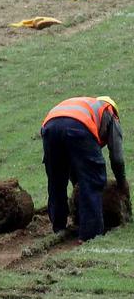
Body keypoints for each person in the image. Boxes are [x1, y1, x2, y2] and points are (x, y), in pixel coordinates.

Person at [42, 96, 126, 242]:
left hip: (50, 126)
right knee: (92, 180)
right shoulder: (110, 113)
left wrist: (77, 182)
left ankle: (58, 226)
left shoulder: (87, 105)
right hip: (78, 125)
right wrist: (121, 182)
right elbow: (117, 157)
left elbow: (75, 162)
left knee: (56, 180)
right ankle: (90, 233)